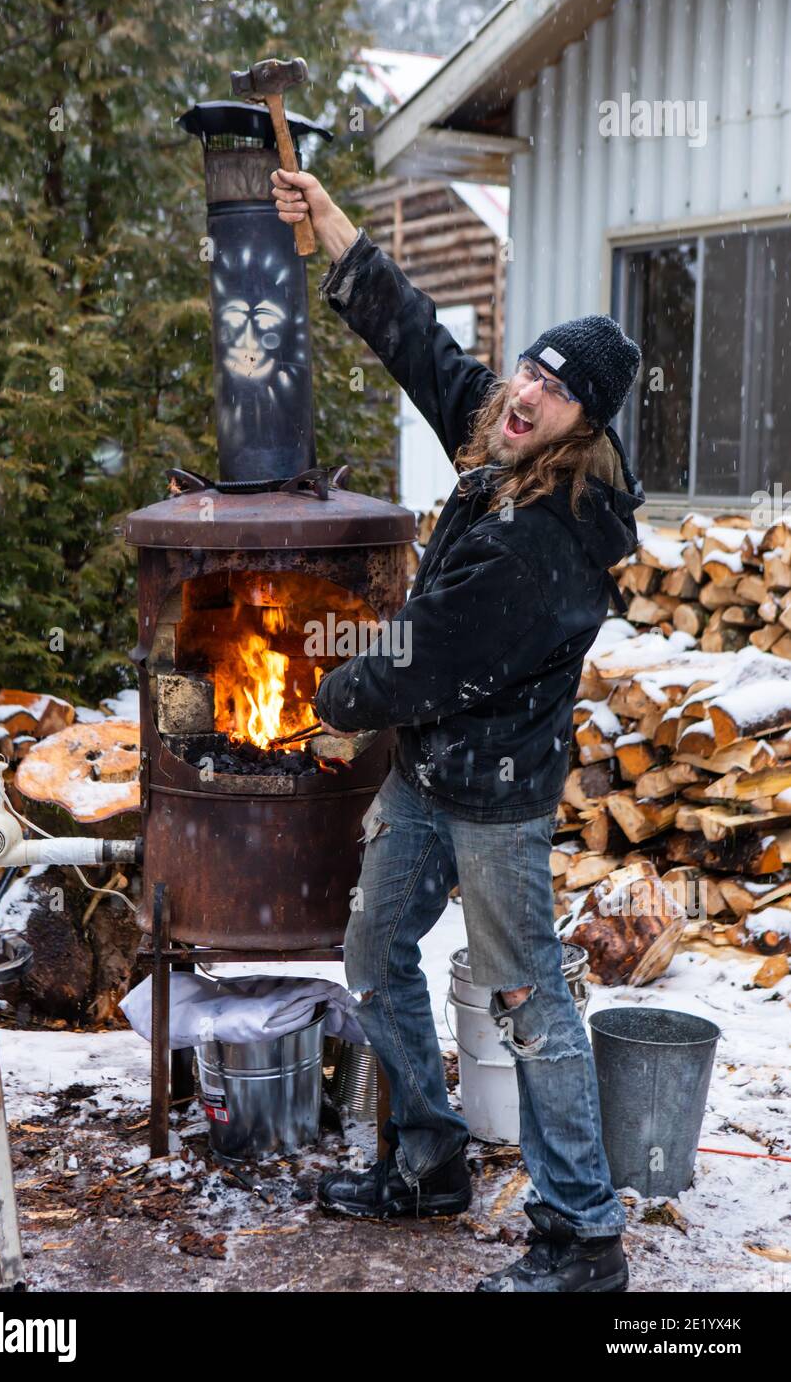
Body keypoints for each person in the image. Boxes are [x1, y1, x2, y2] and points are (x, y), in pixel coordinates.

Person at [271, 166, 645, 1293]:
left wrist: (320, 702)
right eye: (529, 366)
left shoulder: (548, 535)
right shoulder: (508, 443)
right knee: (375, 957)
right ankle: (427, 1156)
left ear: (584, 423)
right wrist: (335, 232)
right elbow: (429, 353)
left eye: (553, 388)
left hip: (495, 802)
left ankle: (581, 1235)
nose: (525, 390)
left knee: (526, 1000)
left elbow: (418, 661)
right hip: (429, 777)